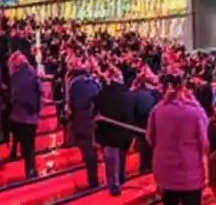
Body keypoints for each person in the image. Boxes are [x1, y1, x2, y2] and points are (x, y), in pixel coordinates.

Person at [148, 74, 209, 205]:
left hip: (165, 171)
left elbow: (150, 138)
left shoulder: (158, 110)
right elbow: (204, 142)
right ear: (183, 88)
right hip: (190, 170)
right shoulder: (195, 111)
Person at [95, 66, 137, 196]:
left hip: (108, 135)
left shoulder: (102, 95)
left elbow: (96, 114)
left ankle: (114, 185)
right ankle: (121, 178)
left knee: (111, 162)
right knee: (121, 158)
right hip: (125, 134)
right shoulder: (129, 95)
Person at [66, 58, 103, 189]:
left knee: (88, 152)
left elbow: (70, 104)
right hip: (94, 120)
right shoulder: (95, 83)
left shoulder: (74, 84)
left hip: (81, 120)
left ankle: (93, 182)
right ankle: (94, 179)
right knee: (91, 150)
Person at [8, 50, 41, 178]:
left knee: (26, 145)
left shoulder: (16, 76)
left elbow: (15, 96)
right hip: (33, 116)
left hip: (21, 116)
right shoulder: (33, 73)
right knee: (30, 144)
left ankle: (30, 170)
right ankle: (32, 168)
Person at [131, 67, 160, 174]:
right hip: (152, 121)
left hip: (140, 123)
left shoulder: (135, 93)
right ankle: (150, 165)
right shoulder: (155, 93)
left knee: (144, 146)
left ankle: (145, 166)